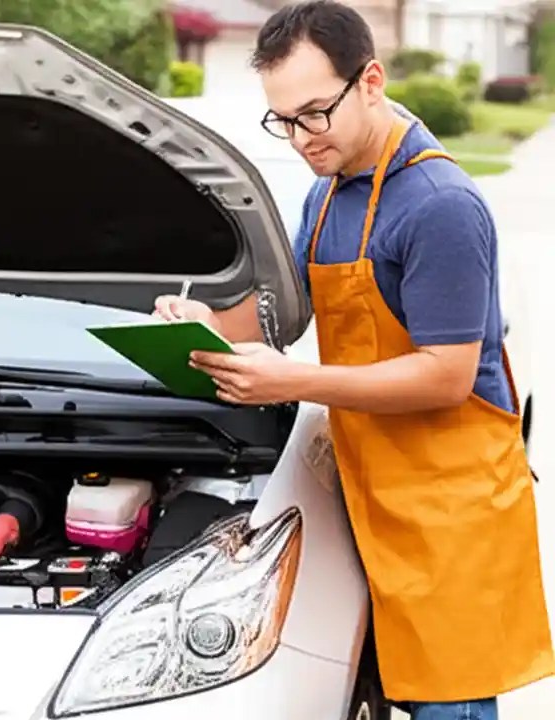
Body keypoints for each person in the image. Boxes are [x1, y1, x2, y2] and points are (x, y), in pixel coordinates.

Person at [152, 2, 553, 719]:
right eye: (283, 119)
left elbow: (446, 374)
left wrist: (290, 379)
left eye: (315, 113)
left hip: (449, 520)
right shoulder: (327, 192)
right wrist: (208, 324)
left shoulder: (439, 206)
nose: (302, 138)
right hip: (373, 501)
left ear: (370, 81)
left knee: (449, 709)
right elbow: (286, 312)